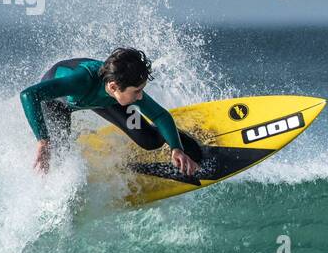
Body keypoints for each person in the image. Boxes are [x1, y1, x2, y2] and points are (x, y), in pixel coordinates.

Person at [19, 47, 201, 175]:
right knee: (59, 159)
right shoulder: (80, 81)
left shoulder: (120, 89)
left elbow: (160, 115)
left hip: (104, 100)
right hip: (56, 104)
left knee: (149, 140)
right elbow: (28, 95)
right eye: (137, 91)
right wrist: (42, 140)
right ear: (113, 86)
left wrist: (176, 148)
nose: (140, 97)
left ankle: (181, 142)